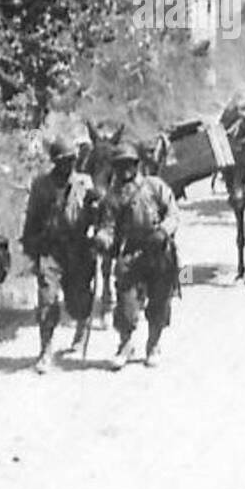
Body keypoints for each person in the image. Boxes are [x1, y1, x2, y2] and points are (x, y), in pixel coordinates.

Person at [93, 142, 180, 370]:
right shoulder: (112, 197)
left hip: (159, 252)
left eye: (129, 165)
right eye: (120, 166)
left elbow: (173, 214)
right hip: (131, 253)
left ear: (137, 165)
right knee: (126, 304)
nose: (125, 170)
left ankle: (153, 344)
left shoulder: (155, 186)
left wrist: (163, 232)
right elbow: (108, 226)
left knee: (159, 303)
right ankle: (125, 343)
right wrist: (102, 238)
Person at [21, 135, 102, 373]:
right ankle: (45, 350)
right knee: (47, 300)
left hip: (78, 249)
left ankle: (79, 331)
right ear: (55, 162)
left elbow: (97, 215)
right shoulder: (41, 185)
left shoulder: (85, 183)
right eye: (63, 161)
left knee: (78, 302)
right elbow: (32, 219)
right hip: (51, 250)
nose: (68, 165)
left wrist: (96, 210)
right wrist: (32, 248)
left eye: (72, 160)